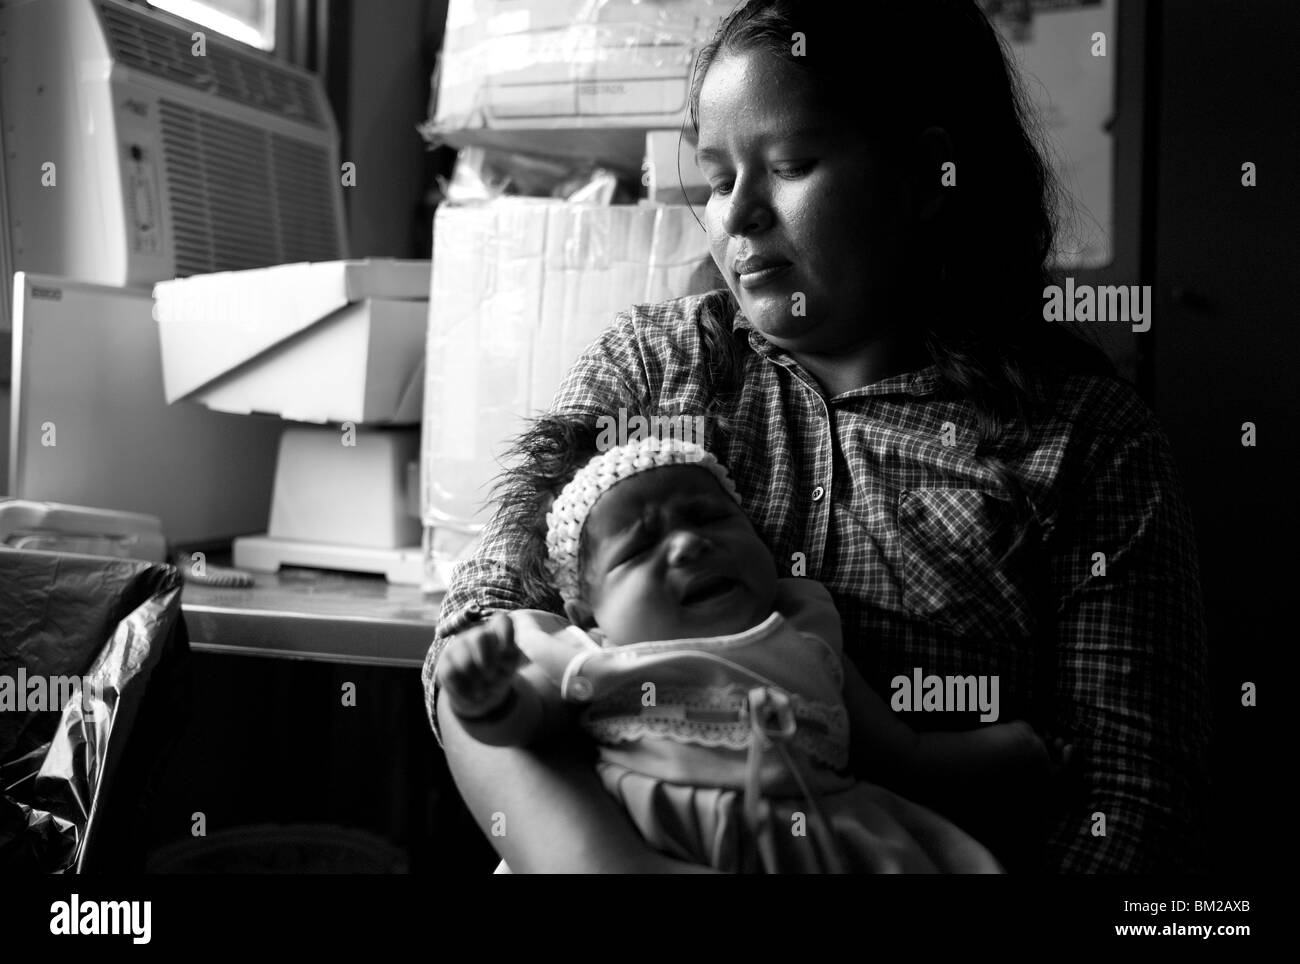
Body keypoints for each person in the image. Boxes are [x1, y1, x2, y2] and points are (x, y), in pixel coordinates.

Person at [423, 0, 1210, 873]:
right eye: (718, 179)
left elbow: (1129, 800)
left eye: (792, 165)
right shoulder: (651, 371)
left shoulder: (1085, 441)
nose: (739, 216)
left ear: (926, 178)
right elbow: (478, 640)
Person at [439, 433, 1068, 872]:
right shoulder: (588, 658)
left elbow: (903, 756)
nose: (688, 546)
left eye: (710, 519)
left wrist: (1011, 751)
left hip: (821, 839)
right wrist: (486, 697)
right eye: (639, 548)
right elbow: (531, 723)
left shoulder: (806, 640)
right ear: (587, 613)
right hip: (652, 836)